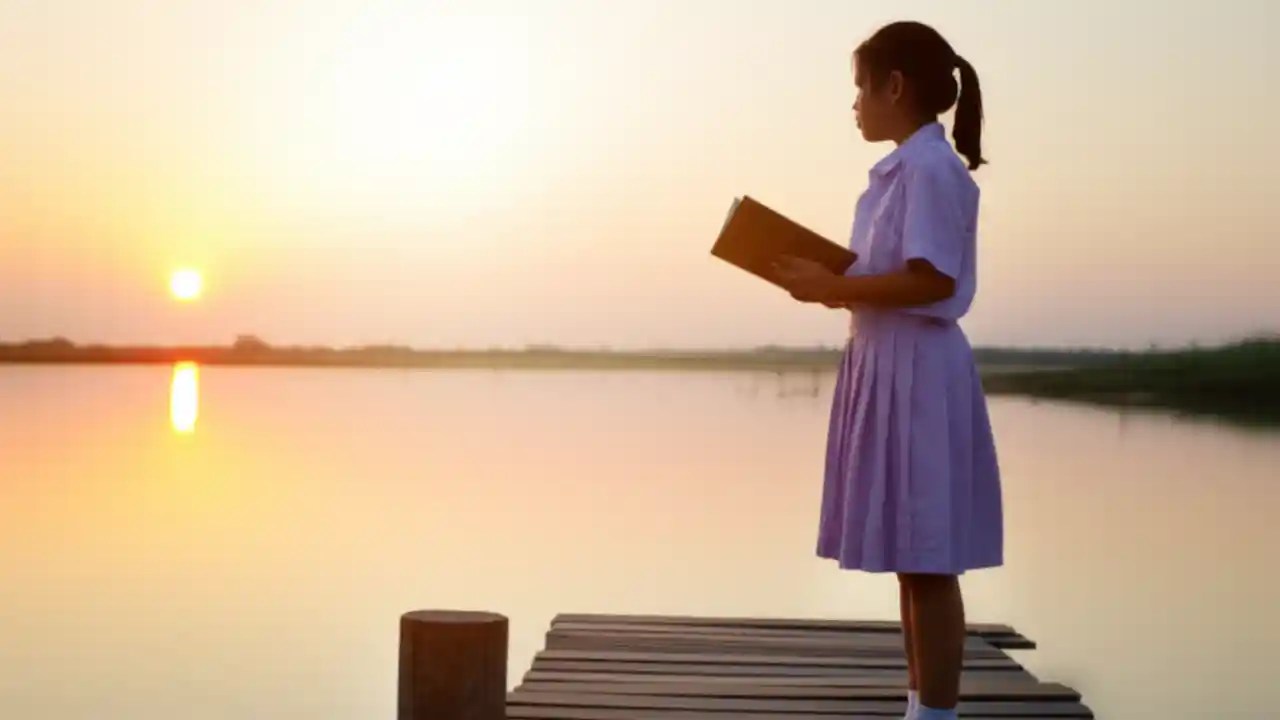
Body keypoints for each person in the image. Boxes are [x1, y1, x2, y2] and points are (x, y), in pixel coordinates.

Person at [772, 20, 1003, 720]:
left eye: (859, 89)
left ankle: (936, 714)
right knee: (914, 553)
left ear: (893, 86)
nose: (854, 105)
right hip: (893, 362)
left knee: (929, 556)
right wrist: (828, 283)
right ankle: (920, 706)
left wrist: (832, 286)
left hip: (918, 369)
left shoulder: (930, 169)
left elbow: (931, 279)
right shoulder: (907, 167)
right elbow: (894, 276)